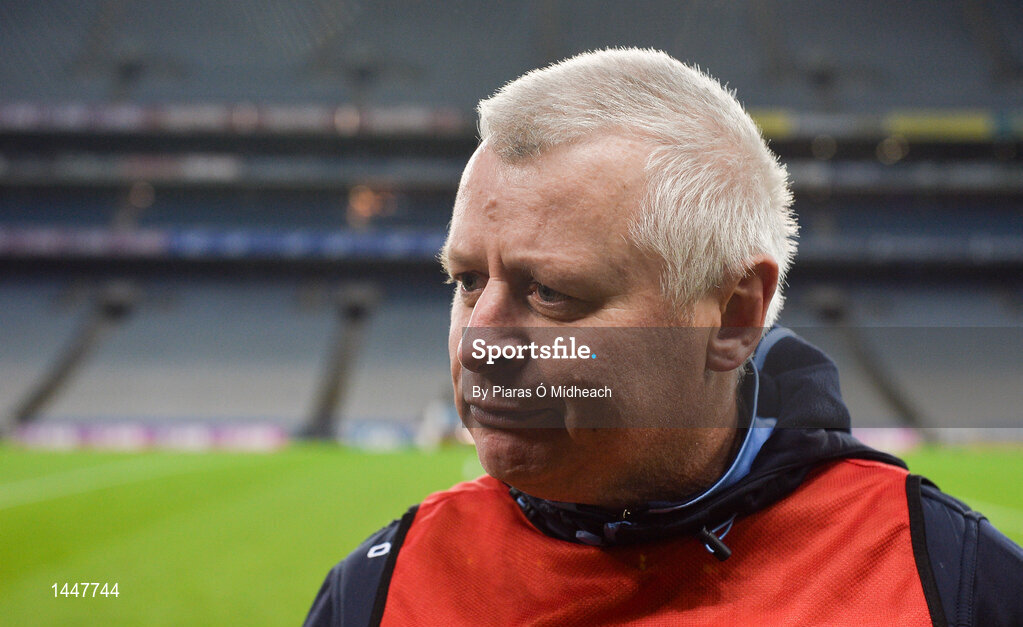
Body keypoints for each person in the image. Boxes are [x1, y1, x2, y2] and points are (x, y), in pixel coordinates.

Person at [304, 48, 1023, 626]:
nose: (478, 345)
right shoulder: (378, 590)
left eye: (549, 292)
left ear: (733, 317)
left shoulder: (949, 582)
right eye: (466, 281)